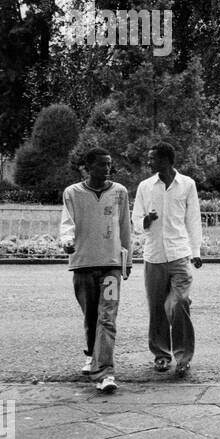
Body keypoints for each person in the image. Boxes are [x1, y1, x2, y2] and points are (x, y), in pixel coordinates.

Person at [59, 148, 132, 394]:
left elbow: (125, 227)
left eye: (109, 164)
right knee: (91, 316)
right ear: (88, 168)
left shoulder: (119, 192)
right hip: (83, 264)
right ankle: (92, 354)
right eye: (102, 164)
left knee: (107, 318)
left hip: (110, 265)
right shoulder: (72, 193)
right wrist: (67, 240)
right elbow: (67, 222)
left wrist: (127, 260)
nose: (107, 169)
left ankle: (105, 373)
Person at [131, 142, 203, 377]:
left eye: (153, 158)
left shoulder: (187, 185)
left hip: (179, 254)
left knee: (179, 303)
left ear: (167, 160)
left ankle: (183, 356)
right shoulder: (145, 187)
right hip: (154, 256)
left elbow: (193, 219)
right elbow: (136, 222)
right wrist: (147, 220)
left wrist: (196, 252)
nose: (149, 162)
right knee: (157, 308)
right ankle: (161, 355)